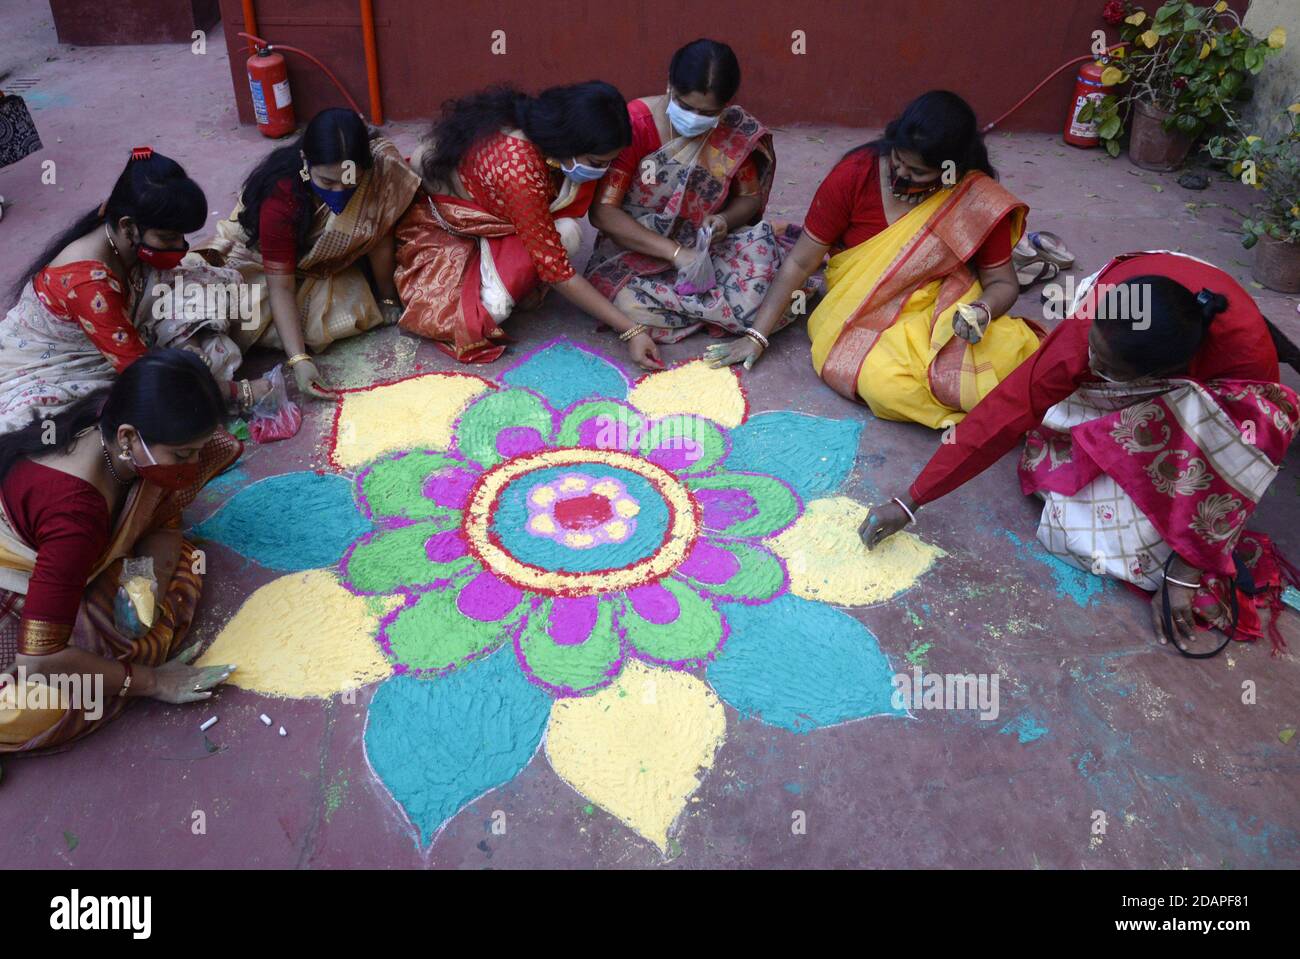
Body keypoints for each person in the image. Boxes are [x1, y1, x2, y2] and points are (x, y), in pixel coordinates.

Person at [863, 252, 1298, 654]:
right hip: (1156, 300)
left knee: (1131, 549)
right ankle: (1126, 418)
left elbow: (1240, 467)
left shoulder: (1247, 377)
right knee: (1067, 431)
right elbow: (1005, 412)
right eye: (1092, 349)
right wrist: (912, 499)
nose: (1088, 362)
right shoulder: (1102, 324)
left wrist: (1182, 573)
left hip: (1212, 385)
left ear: (1158, 376)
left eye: (1106, 368)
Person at [706, 90, 1042, 428]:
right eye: (897, 159)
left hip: (943, 309)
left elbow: (1001, 283)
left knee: (1012, 361)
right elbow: (800, 262)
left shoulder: (974, 197)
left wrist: (981, 311)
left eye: (917, 171)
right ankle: (958, 417)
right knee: (881, 384)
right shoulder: (856, 173)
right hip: (860, 308)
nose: (900, 173)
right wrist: (756, 337)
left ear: (951, 169)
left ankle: (976, 406)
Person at [0, 350, 240, 753]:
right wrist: (152, 683)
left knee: (145, 610)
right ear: (128, 438)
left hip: (72, 560)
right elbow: (38, 662)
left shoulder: (120, 430)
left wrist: (144, 583)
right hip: (19, 579)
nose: (193, 465)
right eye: (183, 455)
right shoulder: (76, 511)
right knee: (43, 704)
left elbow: (163, 516)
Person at [395, 81, 663, 370]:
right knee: (490, 311)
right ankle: (502, 282)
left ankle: (515, 279)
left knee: (567, 234)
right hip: (456, 224)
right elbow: (556, 271)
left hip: (502, 216)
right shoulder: (519, 165)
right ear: (568, 143)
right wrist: (631, 330)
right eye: (597, 162)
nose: (603, 171)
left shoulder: (549, 137)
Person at [0, 147, 267, 435]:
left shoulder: (119, 229)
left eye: (182, 236)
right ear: (128, 227)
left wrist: (187, 347)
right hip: (62, 361)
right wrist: (238, 392)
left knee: (209, 297)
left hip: (121, 323)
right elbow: (142, 373)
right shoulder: (88, 285)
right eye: (168, 238)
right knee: (119, 414)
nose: (181, 246)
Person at [190, 108, 421, 398]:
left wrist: (387, 296)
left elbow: (377, 231)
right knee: (242, 316)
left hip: (330, 261)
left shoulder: (379, 172)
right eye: (326, 182)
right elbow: (281, 286)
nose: (339, 192)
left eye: (349, 183)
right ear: (305, 162)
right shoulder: (282, 197)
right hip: (263, 264)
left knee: (361, 302)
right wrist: (299, 360)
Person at [585, 38, 781, 342]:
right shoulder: (636, 124)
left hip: (707, 247)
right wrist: (676, 254)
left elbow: (749, 198)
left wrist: (724, 221)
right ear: (669, 85)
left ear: (725, 107)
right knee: (627, 306)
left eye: (707, 114)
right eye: (686, 106)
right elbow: (603, 212)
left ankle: (696, 313)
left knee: (765, 259)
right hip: (636, 246)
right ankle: (717, 314)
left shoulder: (731, 130)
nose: (695, 119)